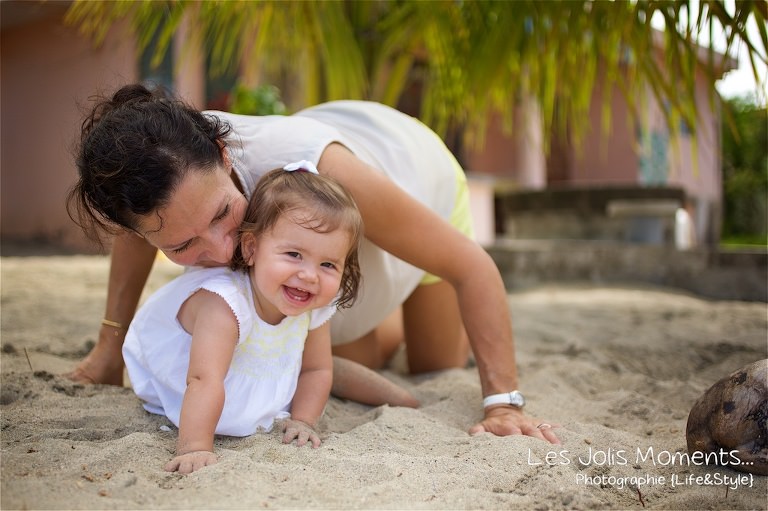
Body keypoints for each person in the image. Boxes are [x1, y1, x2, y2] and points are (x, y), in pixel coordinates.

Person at [67, 83, 560, 444]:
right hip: (317, 232)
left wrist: (502, 403)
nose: (221, 252)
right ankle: (366, 320)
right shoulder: (163, 182)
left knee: (435, 363)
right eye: (181, 246)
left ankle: (393, 305)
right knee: (317, 345)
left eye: (222, 214)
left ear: (223, 154)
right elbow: (143, 231)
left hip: (411, 168)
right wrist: (109, 346)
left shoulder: (311, 165)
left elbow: (472, 267)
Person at [125, 163, 381, 475]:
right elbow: (203, 379)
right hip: (191, 380)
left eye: (328, 263)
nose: (309, 275)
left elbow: (316, 369)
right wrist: (195, 447)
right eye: (294, 255)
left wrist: (302, 420)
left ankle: (406, 401)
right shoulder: (225, 305)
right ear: (252, 248)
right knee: (209, 378)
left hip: (249, 378)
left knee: (365, 382)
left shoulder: (313, 307)